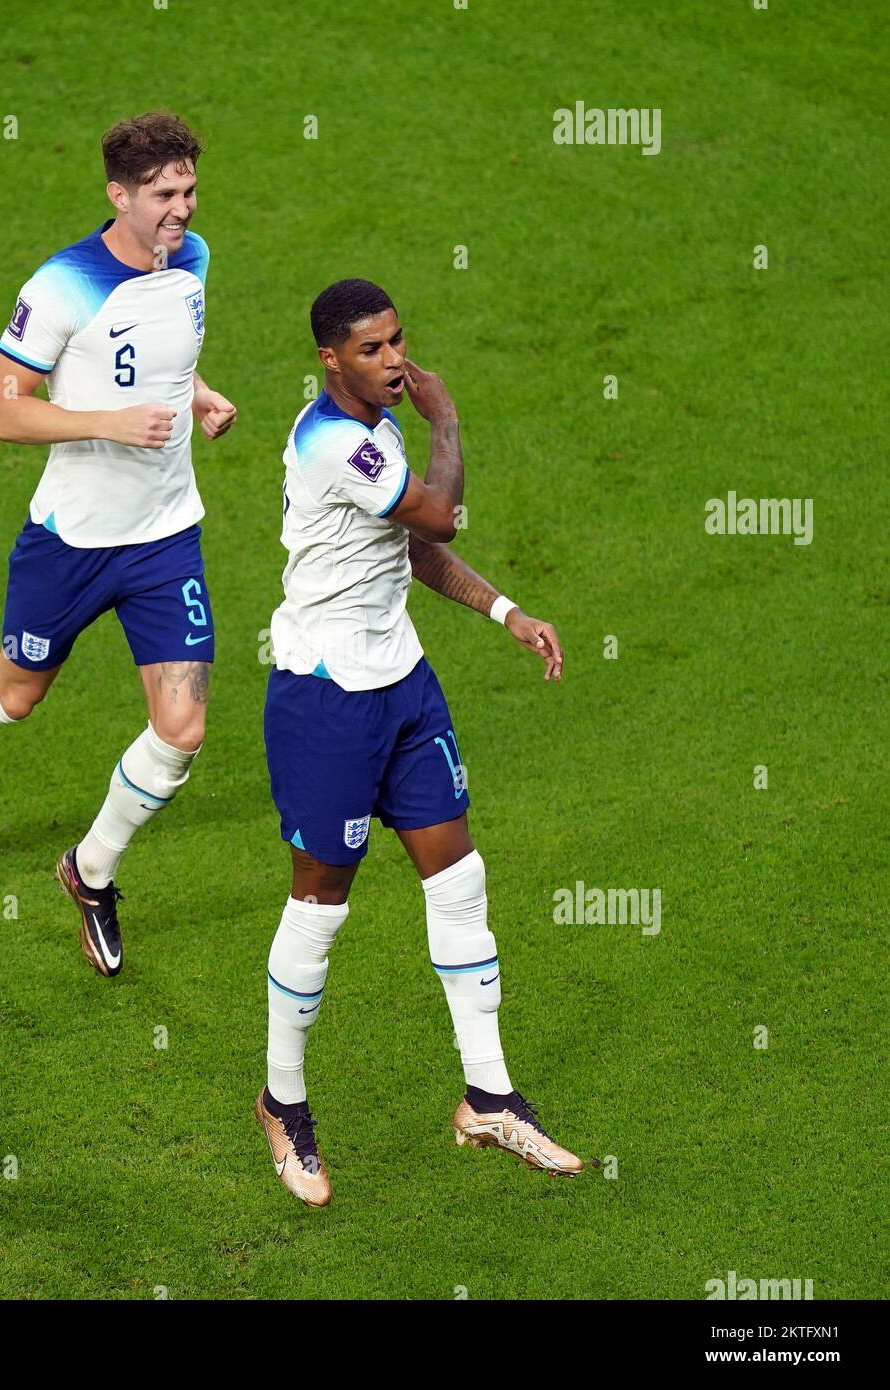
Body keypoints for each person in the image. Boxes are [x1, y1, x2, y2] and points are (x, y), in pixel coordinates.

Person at [0, 112, 236, 979]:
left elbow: (159, 357)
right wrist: (110, 425)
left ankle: (90, 870)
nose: (181, 210)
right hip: (71, 543)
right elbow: (2, 409)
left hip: (164, 540)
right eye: (163, 195)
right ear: (117, 195)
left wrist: (198, 396)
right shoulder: (61, 285)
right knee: (15, 696)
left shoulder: (191, 262)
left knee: (183, 727)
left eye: (189, 190)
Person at [256, 278, 582, 1205]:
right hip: (325, 699)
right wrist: (448, 422)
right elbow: (438, 512)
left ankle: (488, 1097)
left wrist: (503, 609)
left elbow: (416, 551)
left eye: (399, 342)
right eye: (371, 349)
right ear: (329, 360)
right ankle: (282, 1104)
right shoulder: (334, 443)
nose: (395, 361)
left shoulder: (377, 433)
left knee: (458, 875)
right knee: (321, 904)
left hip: (401, 685)